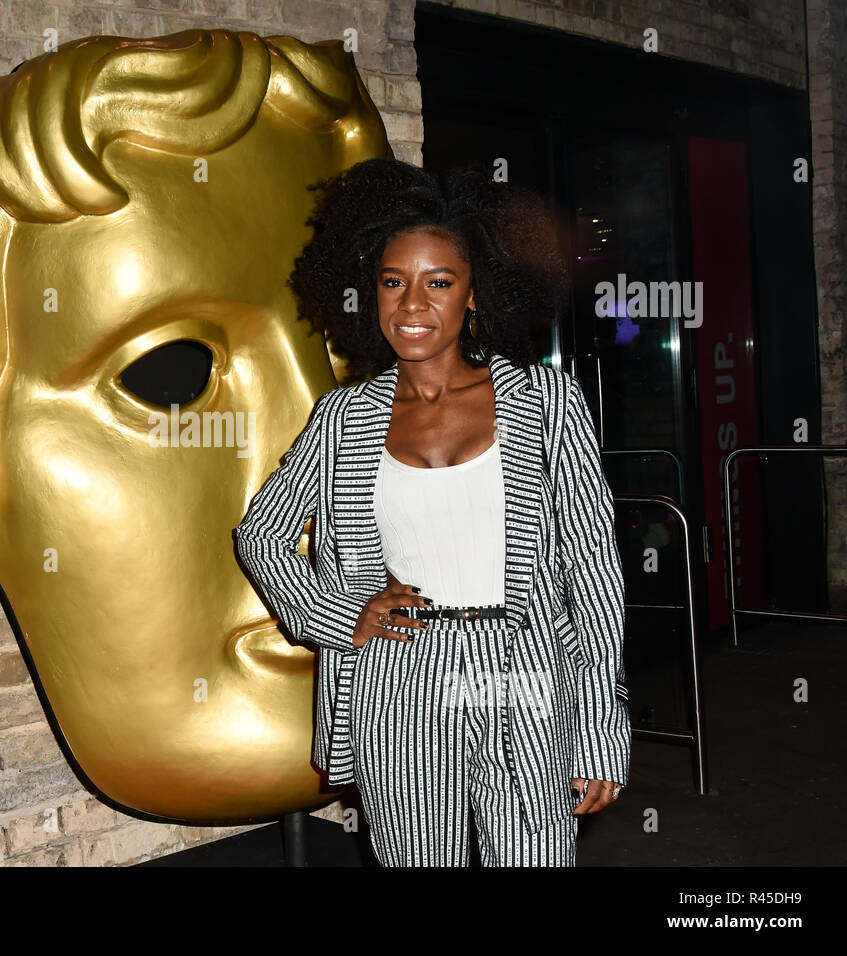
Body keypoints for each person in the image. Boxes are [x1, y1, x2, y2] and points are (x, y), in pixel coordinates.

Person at [234, 159, 630, 866]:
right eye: (393, 282)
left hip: (525, 665)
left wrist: (602, 727)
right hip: (402, 674)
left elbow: (594, 571)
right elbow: (260, 534)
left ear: (475, 295)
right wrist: (340, 613)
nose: (411, 304)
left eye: (438, 283)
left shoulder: (546, 404)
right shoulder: (345, 418)